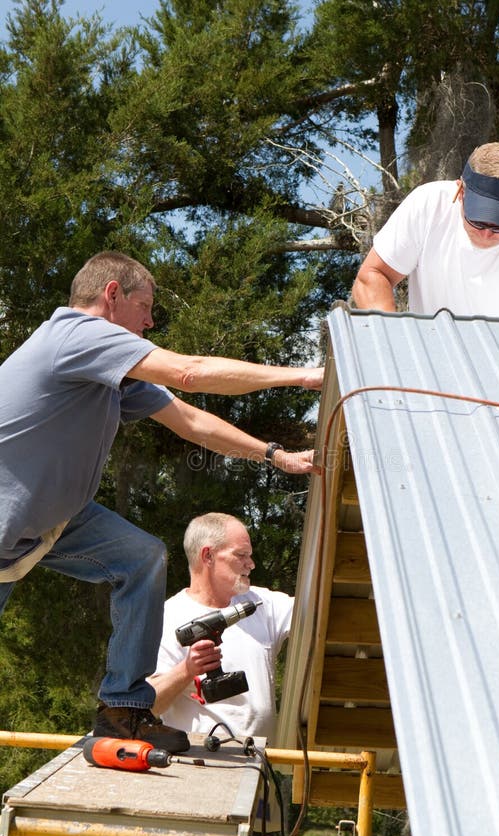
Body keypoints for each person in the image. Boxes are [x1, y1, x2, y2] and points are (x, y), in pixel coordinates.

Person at [0, 251, 320, 754]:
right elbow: (189, 372)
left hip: (48, 524)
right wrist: (301, 376)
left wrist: (274, 455)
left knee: (141, 557)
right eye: (145, 307)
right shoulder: (76, 334)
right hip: (9, 523)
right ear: (112, 295)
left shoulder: (109, 375)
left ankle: (123, 709)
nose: (149, 322)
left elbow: (191, 422)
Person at [149, 512, 293, 836]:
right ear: (208, 555)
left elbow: (316, 611)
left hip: (259, 796)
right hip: (199, 800)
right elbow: (146, 705)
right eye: (241, 555)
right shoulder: (167, 617)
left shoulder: (260, 604)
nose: (251, 564)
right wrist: (186, 670)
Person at [352, 141, 499, 320]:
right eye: (477, 220)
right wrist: (392, 339)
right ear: (460, 192)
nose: (486, 233)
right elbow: (372, 276)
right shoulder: (428, 206)